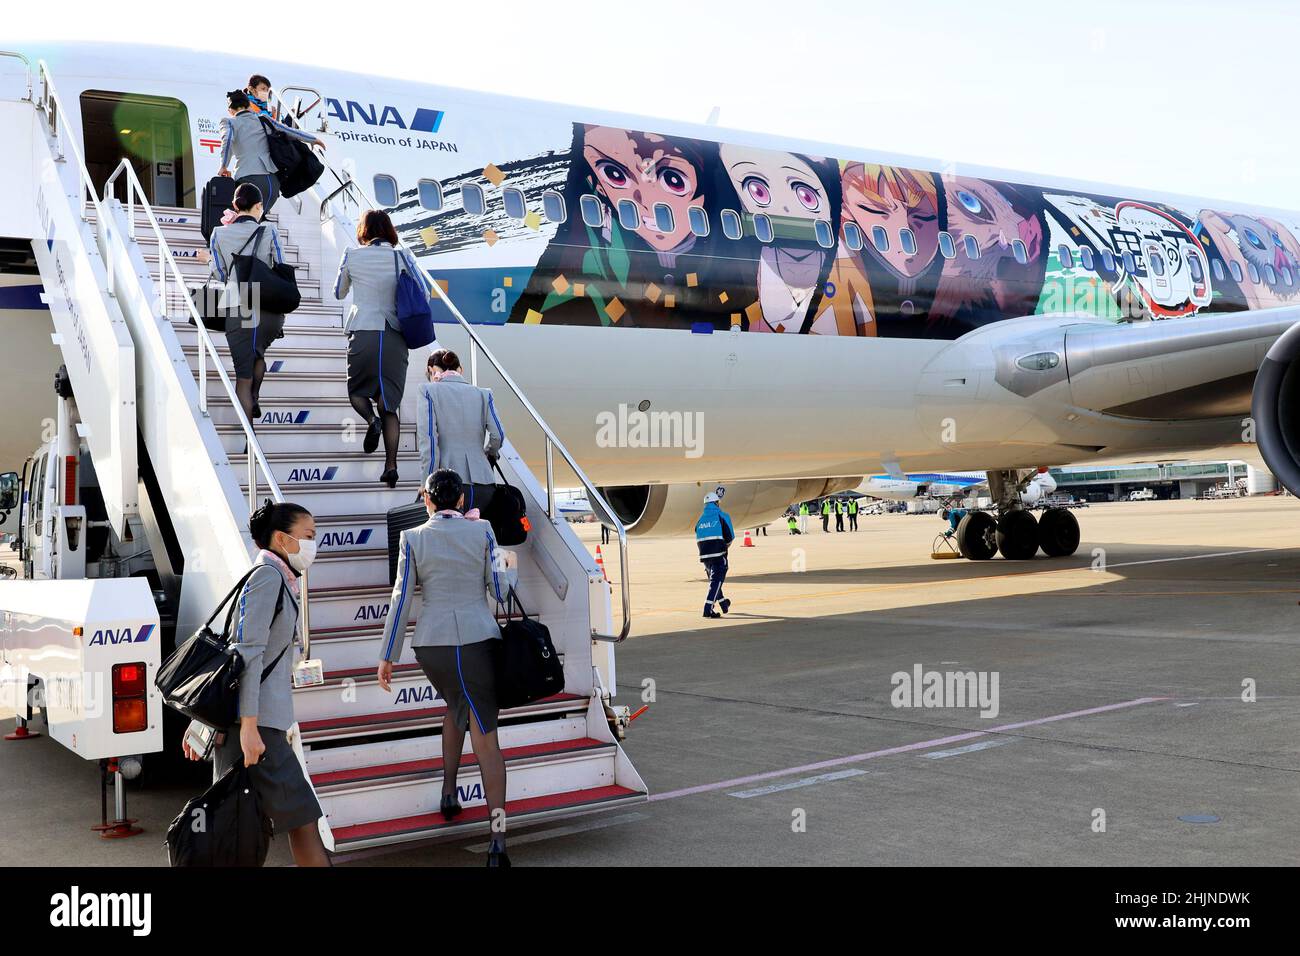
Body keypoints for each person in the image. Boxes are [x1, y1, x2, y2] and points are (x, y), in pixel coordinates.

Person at [378, 469, 517, 867]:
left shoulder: (412, 538)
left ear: (427, 501)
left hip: (432, 647)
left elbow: (401, 597)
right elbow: (500, 588)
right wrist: (512, 565)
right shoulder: (483, 530)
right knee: (486, 737)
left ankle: (448, 790)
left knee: (456, 706)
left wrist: (388, 655)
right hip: (475, 641)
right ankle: (497, 841)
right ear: (460, 501)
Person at [183, 500, 329, 867]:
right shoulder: (267, 577)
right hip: (257, 729)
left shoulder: (278, 577)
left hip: (257, 726)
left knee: (240, 825)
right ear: (282, 538)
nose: (314, 544)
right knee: (299, 819)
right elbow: (247, 655)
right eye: (308, 536)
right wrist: (249, 727)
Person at [334, 210, 434, 488]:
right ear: (389, 230)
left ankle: (370, 420)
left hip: (363, 329)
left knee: (356, 391)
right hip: (393, 334)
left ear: (364, 230)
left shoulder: (352, 255)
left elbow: (339, 292)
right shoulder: (402, 257)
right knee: (390, 404)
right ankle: (391, 466)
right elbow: (423, 293)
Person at [203, 182, 286, 426]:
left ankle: (250, 440)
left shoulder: (219, 233)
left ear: (235, 206)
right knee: (257, 352)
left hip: (239, 306)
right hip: (269, 305)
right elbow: (280, 265)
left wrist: (209, 260)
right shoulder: (270, 230)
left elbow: (219, 273)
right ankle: (256, 396)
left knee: (243, 376)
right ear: (258, 206)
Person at [417, 349, 505, 513]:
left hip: (447, 485)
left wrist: (426, 481)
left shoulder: (428, 391)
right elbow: (498, 435)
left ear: (431, 370)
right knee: (475, 534)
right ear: (460, 369)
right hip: (484, 484)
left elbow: (428, 441)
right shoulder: (484, 394)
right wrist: (488, 453)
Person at [218, 89, 323, 216]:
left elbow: (227, 140)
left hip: (247, 181)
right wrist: (313, 139)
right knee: (259, 219)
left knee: (243, 219)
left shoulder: (228, 122)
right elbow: (288, 130)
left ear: (230, 110)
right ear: (248, 105)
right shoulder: (264, 119)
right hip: (272, 184)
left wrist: (223, 166)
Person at [695, 486, 734, 619]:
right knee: (716, 581)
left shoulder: (700, 520)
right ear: (716, 503)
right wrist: (724, 548)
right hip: (718, 555)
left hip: (705, 557)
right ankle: (708, 609)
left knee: (715, 581)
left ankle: (723, 604)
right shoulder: (721, 515)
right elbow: (730, 537)